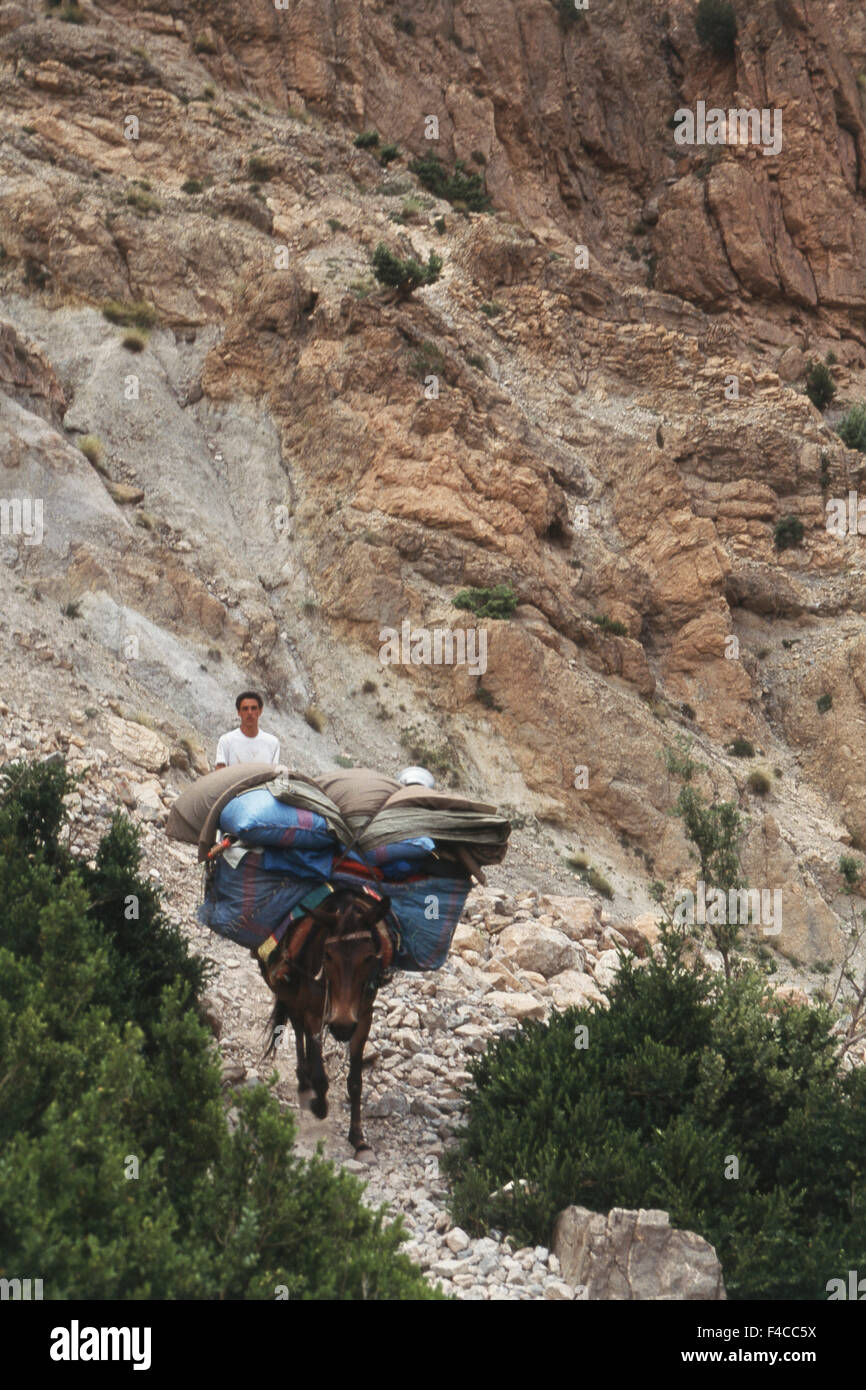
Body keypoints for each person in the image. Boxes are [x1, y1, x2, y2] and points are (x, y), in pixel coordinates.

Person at [214, 691, 280, 769]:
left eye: (254, 708)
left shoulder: (272, 743)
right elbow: (220, 774)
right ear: (239, 712)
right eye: (245, 709)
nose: (249, 712)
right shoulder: (226, 741)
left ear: (260, 711)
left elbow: (274, 775)